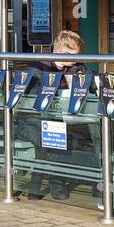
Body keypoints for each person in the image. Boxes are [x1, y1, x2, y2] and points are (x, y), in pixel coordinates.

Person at [14, 30, 93, 201]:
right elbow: (23, 95)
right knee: (54, 138)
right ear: (59, 52)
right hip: (30, 122)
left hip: (65, 120)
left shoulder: (77, 67)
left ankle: (95, 183)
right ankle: (55, 183)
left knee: (88, 136)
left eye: (77, 56)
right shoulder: (37, 67)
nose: (75, 60)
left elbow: (91, 84)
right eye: (72, 56)